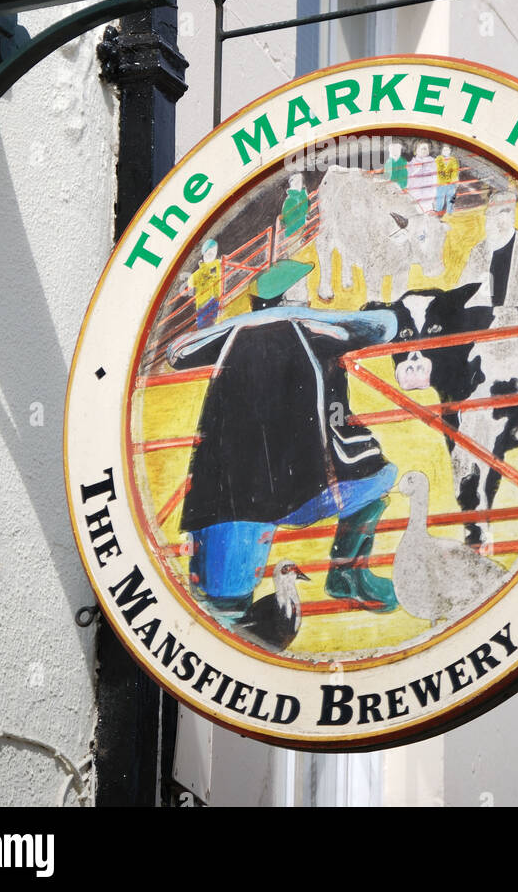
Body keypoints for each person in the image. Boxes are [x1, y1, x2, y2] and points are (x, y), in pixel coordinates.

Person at [167, 259, 400, 627]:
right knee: (380, 476)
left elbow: (178, 355)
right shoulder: (312, 332)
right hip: (299, 486)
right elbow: (381, 328)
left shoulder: (231, 340)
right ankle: (347, 572)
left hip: (227, 496)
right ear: (292, 300)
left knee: (222, 609)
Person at [460, 190, 518, 306]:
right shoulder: (478, 251)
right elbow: (463, 288)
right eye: (489, 216)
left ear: (509, 215)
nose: (489, 222)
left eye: (495, 215)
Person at [186, 238, 221, 328]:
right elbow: (190, 284)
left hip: (217, 301)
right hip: (203, 305)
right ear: (204, 253)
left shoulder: (219, 266)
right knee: (205, 327)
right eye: (209, 252)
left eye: (214, 252)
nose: (212, 255)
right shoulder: (197, 274)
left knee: (217, 326)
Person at [406, 141, 438, 211]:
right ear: (415, 151)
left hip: (428, 194)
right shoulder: (410, 164)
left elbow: (436, 179)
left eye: (425, 149)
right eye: (421, 148)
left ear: (429, 151)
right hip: (415, 194)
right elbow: (408, 180)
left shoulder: (433, 163)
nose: (423, 151)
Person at [279, 173, 309, 241]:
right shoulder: (299, 197)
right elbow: (305, 212)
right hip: (296, 232)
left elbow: (283, 220)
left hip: (292, 233)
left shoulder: (289, 200)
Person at [435, 143, 460, 214]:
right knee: (440, 197)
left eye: (447, 150)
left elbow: (455, 171)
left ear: (450, 151)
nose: (446, 151)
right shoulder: (438, 159)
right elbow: (437, 170)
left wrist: (454, 181)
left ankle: (449, 212)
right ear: (441, 151)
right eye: (444, 150)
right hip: (440, 182)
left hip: (451, 183)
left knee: (451, 197)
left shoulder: (453, 160)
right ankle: (438, 210)